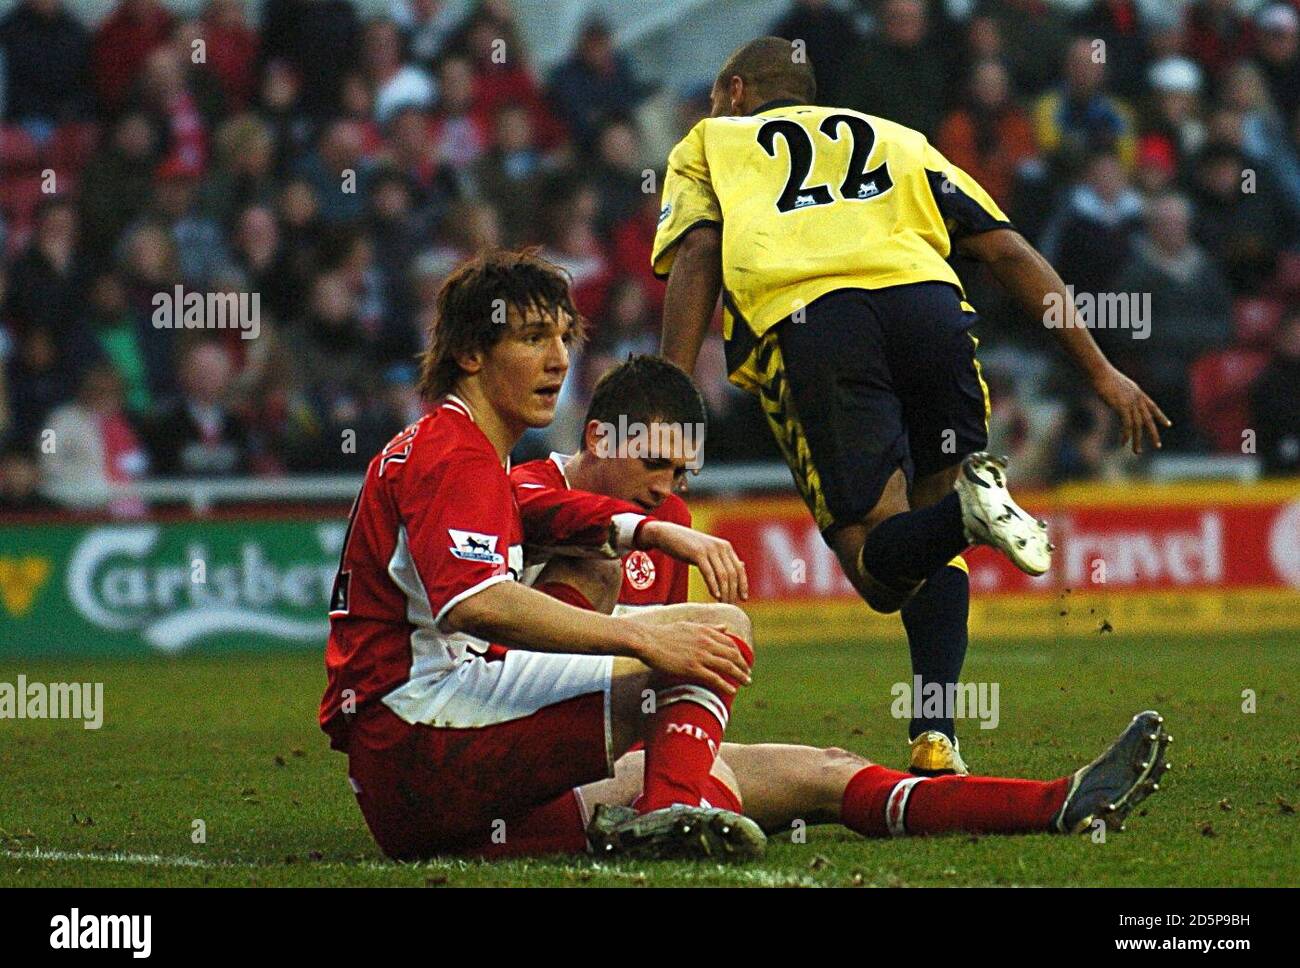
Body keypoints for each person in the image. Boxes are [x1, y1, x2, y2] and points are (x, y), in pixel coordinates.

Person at [655, 37, 1169, 776]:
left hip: (817, 321)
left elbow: (699, 253)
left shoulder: (712, 140)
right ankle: (935, 734)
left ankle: (967, 515)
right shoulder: (894, 138)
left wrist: (673, 399)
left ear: (735, 90)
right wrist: (1102, 370)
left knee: (874, 565)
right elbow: (1008, 251)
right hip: (932, 313)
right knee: (931, 534)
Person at [511, 355, 1173, 843]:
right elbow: (545, 549)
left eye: (681, 471)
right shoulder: (518, 492)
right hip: (520, 769)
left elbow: (654, 685)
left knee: (828, 769)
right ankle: (669, 812)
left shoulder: (669, 516)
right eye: (653, 461)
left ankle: (1059, 802)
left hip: (609, 761)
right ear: (599, 437)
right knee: (610, 575)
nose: (665, 487)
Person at [319, 249, 764, 862]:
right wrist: (640, 643)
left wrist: (655, 533)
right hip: (421, 731)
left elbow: (544, 515)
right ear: (471, 354)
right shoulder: (455, 456)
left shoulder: (459, 446)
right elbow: (479, 604)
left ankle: (641, 815)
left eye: (563, 338)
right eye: (533, 338)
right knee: (708, 640)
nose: (558, 360)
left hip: (404, 747)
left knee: (706, 654)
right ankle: (668, 815)